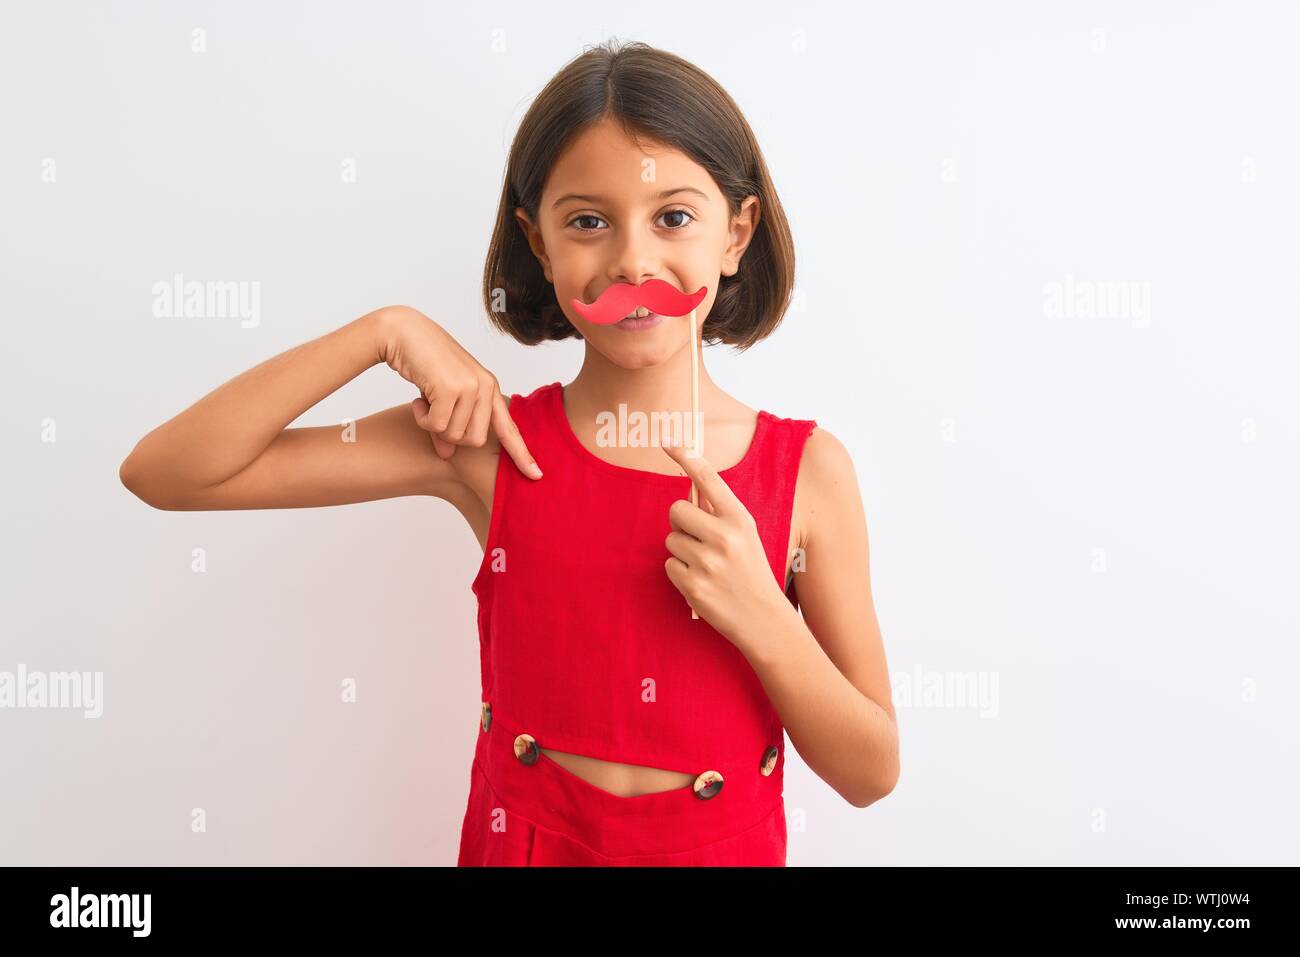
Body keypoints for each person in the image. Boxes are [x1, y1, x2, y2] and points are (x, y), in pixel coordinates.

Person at [120, 39, 899, 866]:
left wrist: (767, 619)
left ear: (735, 234)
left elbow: (871, 770)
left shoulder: (809, 472)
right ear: (538, 242)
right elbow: (166, 471)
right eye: (588, 221)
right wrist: (383, 332)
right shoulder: (488, 446)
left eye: (673, 216)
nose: (634, 260)